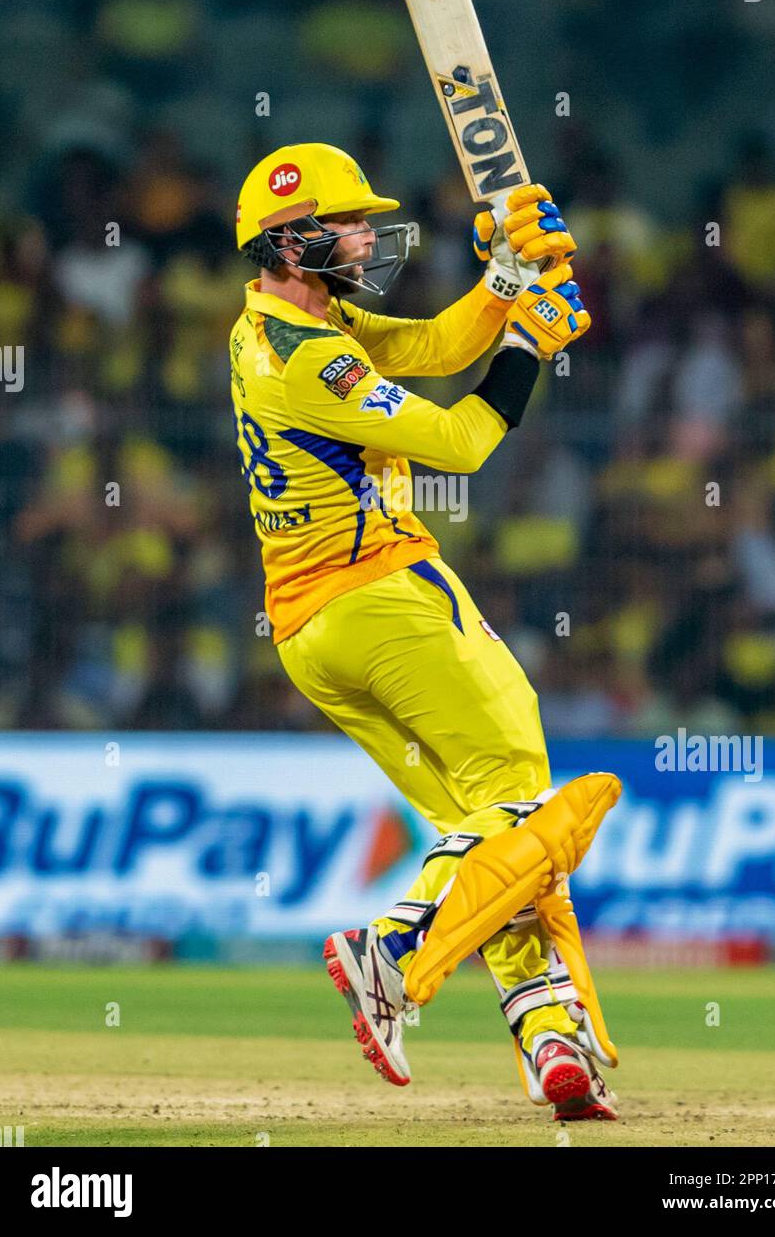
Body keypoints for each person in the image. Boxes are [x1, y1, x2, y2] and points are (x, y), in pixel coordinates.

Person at [230, 142, 619, 1121]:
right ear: (287, 242)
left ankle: (547, 1035)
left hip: (310, 632)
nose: (366, 234)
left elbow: (436, 348)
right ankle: (394, 948)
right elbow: (457, 443)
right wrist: (529, 345)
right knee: (527, 808)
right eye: (346, 221)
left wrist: (502, 284)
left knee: (482, 833)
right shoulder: (312, 356)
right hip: (384, 598)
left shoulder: (279, 322)